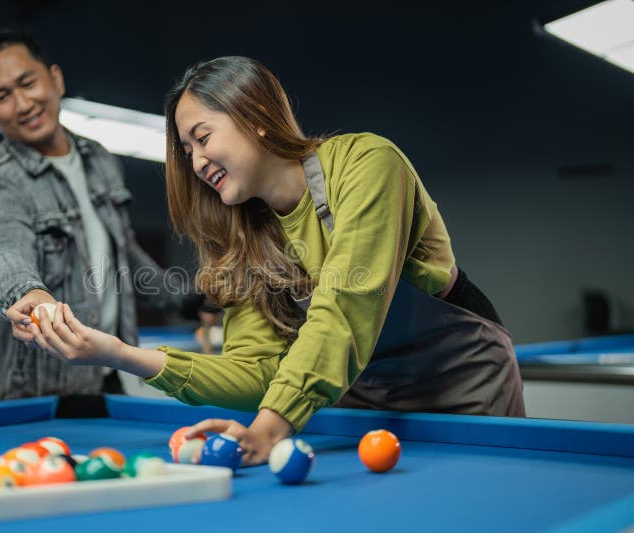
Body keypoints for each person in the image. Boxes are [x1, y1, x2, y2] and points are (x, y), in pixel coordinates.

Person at [29, 56, 525, 463]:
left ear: (255, 118)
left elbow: (346, 308)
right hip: (360, 403)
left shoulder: (368, 163)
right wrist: (119, 354)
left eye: (202, 138)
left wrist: (270, 426)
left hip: (464, 385)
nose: (197, 163)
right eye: (187, 151)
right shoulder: (245, 236)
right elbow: (257, 368)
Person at [0, 28, 206, 404]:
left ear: (55, 79)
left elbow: (122, 255)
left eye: (28, 83)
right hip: (35, 395)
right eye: (2, 96)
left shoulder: (99, 158)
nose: (23, 103)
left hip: (106, 374)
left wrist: (190, 303)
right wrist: (28, 292)